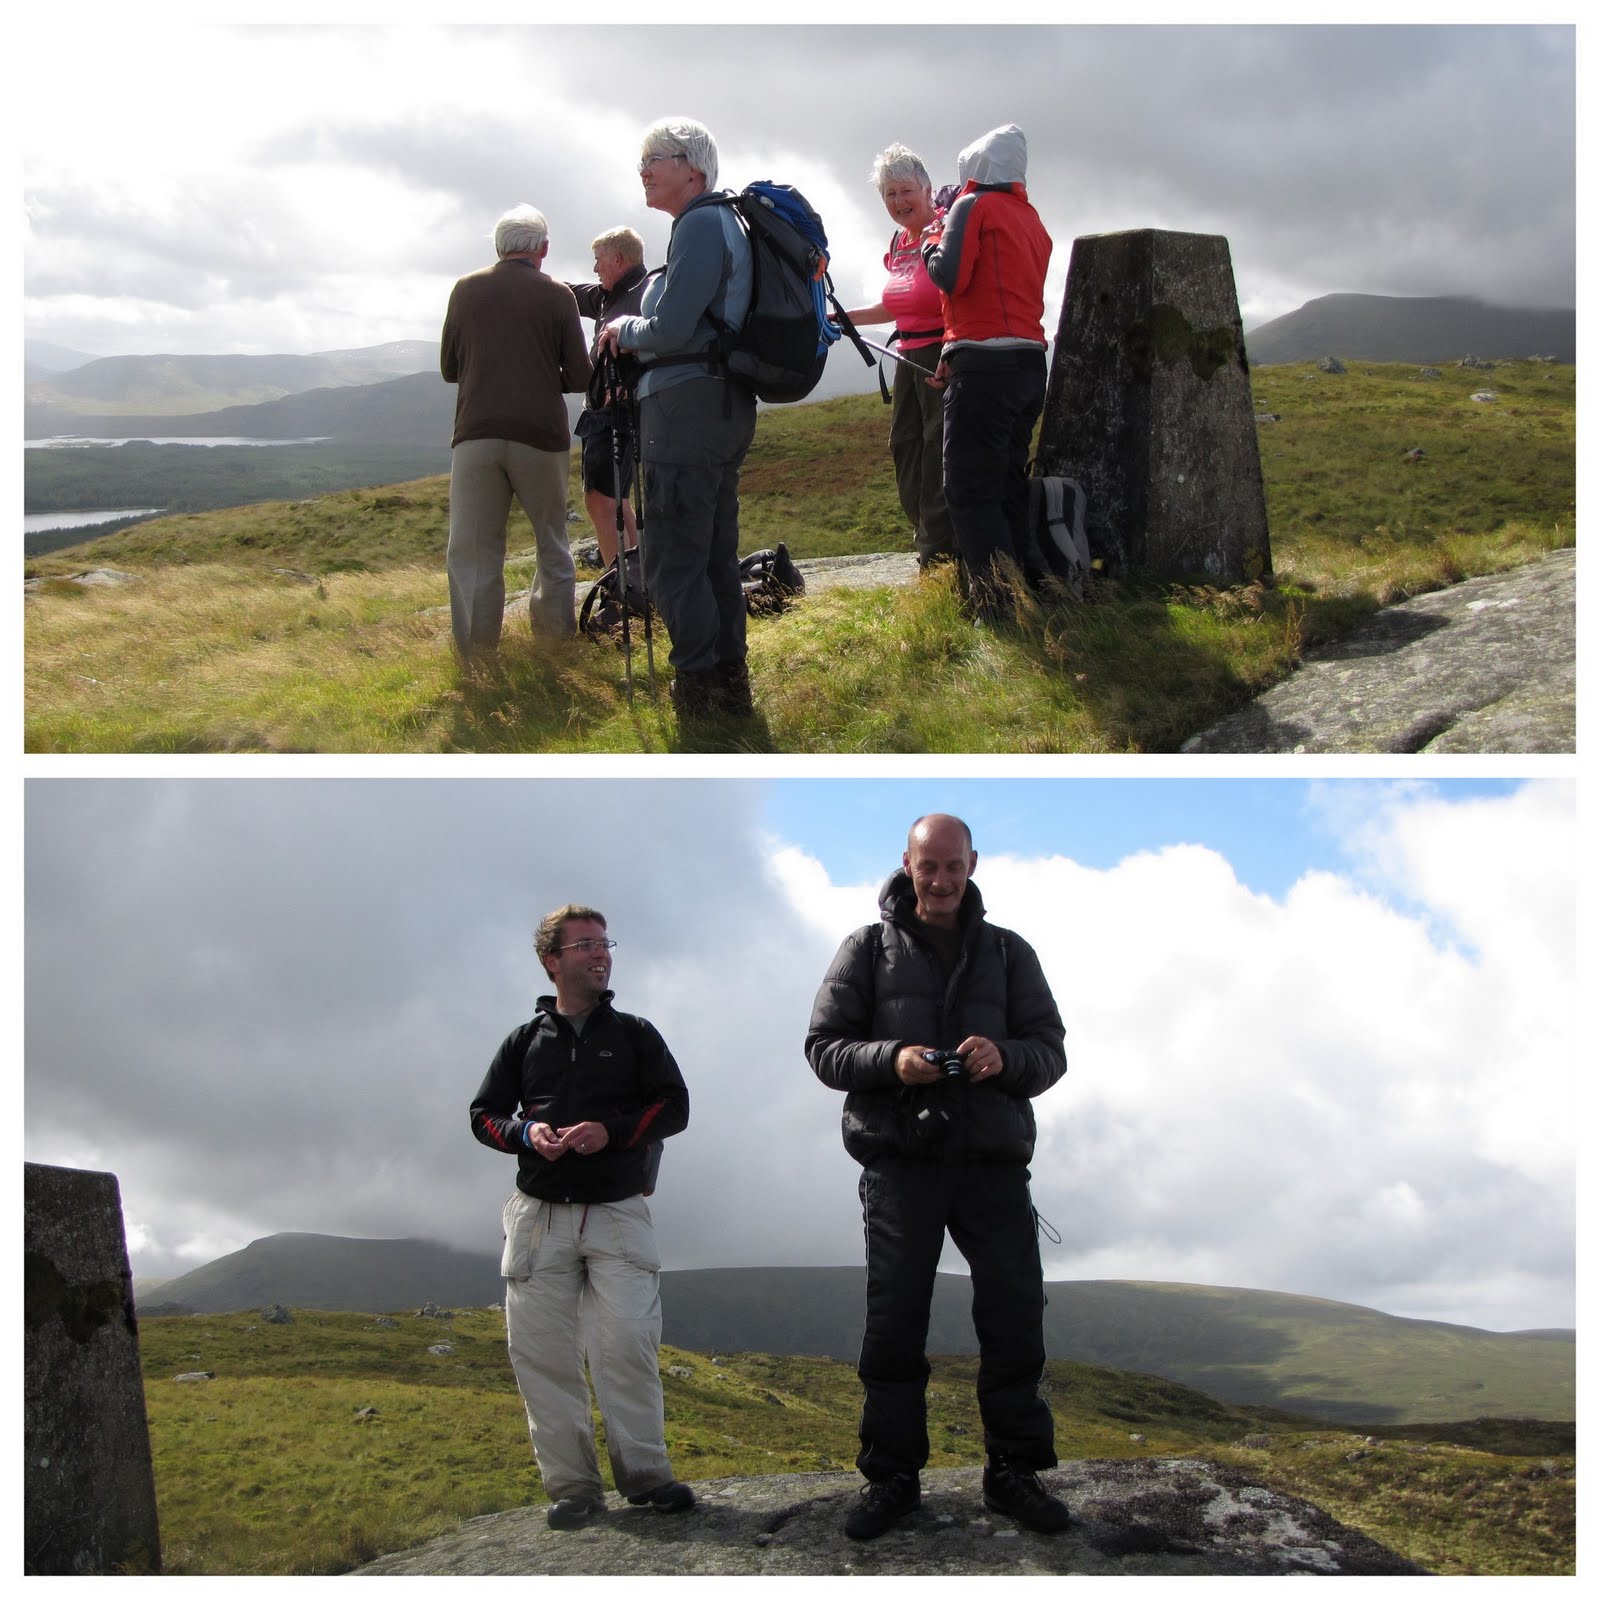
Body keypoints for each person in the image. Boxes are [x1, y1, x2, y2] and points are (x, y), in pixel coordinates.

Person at [805, 813, 1071, 1541]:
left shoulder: (1010, 954)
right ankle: (892, 1479)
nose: (943, 880)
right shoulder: (865, 949)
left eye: (954, 866)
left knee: (1015, 1315)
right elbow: (824, 1049)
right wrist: (893, 1060)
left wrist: (1005, 1059)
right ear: (907, 865)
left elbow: (1050, 1052)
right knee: (894, 1325)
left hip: (991, 1166)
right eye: (930, 867)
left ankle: (1013, 1473)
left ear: (973, 864)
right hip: (901, 1166)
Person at [469, 903, 694, 1530]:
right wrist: (526, 1132)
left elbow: (673, 1107)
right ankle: (573, 1490)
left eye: (605, 943)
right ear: (552, 960)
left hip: (617, 1212)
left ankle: (647, 1477)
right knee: (543, 1355)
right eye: (586, 945)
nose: (601, 954)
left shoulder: (636, 1035)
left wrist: (611, 1132)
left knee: (627, 1343)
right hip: (538, 1218)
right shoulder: (523, 1041)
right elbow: (483, 1115)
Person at [597, 117, 757, 720]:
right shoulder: (725, 222)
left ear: (692, 168)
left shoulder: (698, 224)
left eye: (654, 158)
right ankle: (728, 681)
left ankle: (697, 687)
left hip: (685, 411)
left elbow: (672, 327)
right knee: (714, 551)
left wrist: (623, 328)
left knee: (671, 557)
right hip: (722, 405)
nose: (643, 168)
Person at [440, 206, 592, 665]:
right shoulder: (559, 295)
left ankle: (476, 659)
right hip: (540, 437)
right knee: (551, 541)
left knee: (473, 549)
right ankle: (553, 646)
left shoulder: (465, 290)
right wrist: (544, 375)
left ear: (498, 247)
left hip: (475, 434)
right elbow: (582, 375)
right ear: (542, 248)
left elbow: (450, 369)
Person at [920, 126, 1053, 625]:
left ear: (973, 169)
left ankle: (997, 612)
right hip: (1028, 364)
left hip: (985, 369)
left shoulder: (970, 208)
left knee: (971, 489)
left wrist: (934, 240)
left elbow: (951, 277)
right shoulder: (1030, 218)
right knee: (1007, 483)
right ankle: (1030, 592)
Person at [840, 145, 958, 570]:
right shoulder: (899, 241)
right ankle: (931, 541)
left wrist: (951, 349)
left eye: (905, 190)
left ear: (927, 189)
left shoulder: (944, 235)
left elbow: (959, 296)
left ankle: (940, 561)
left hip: (941, 360)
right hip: (907, 359)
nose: (898, 202)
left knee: (936, 455)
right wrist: (841, 317)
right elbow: (895, 307)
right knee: (905, 449)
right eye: (888, 194)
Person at [567, 228, 651, 565]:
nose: (595, 269)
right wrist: (527, 276)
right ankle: (635, 575)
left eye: (599, 261)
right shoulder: (607, 294)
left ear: (618, 259)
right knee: (614, 499)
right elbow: (569, 293)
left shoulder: (647, 293)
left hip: (621, 412)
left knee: (601, 500)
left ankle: (620, 585)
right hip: (605, 415)